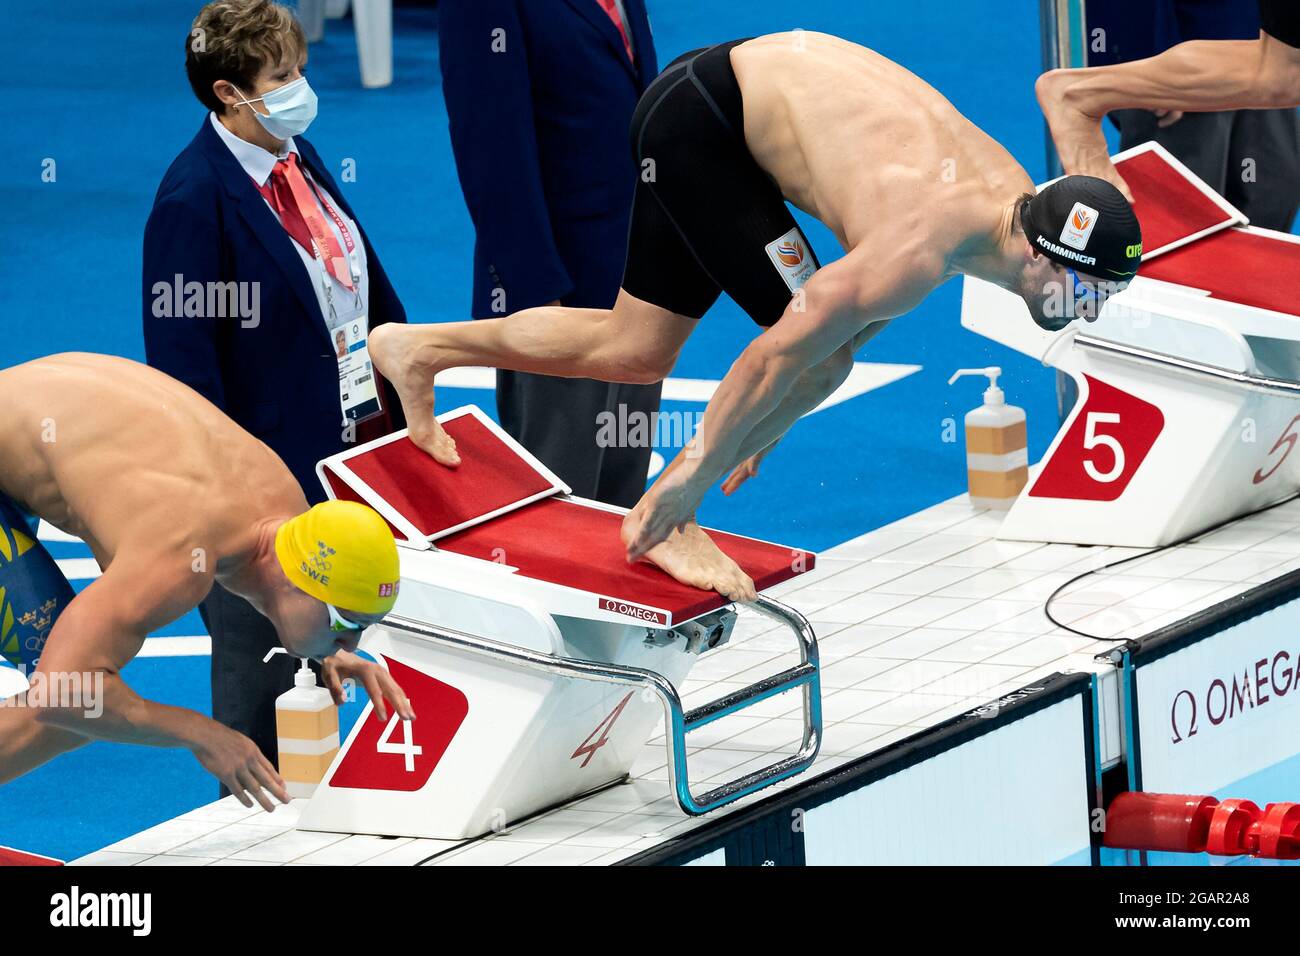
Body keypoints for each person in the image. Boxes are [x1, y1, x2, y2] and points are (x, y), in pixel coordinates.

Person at [369, 32, 1142, 600]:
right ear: (1042, 261)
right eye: (1088, 293)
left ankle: (419, 348)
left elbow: (855, 319)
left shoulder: (1011, 210)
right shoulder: (922, 248)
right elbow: (778, 356)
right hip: (705, 129)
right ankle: (666, 515)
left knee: (634, 350)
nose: (1092, 311)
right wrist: (694, 473)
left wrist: (764, 427)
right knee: (815, 358)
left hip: (721, 97)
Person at [143, 0, 410, 784]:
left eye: (298, 68)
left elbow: (353, 281)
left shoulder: (292, 152)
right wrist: (239, 505)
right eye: (282, 76)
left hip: (347, 449)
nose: (302, 86)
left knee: (327, 665)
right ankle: (245, 833)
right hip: (260, 492)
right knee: (261, 688)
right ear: (229, 93)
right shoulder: (193, 202)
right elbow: (185, 383)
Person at [0, 354, 414, 810]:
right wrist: (201, 734)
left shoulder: (285, 515)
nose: (352, 645)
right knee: (70, 709)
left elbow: (266, 585)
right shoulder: (179, 554)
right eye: (345, 623)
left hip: (27, 425)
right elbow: (60, 694)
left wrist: (323, 643)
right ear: (302, 588)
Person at [437, 0, 663, 509]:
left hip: (640, 272)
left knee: (623, 492)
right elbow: (490, 148)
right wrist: (532, 292)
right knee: (560, 501)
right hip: (561, 284)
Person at [1036, 0, 1300, 200]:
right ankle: (1082, 94)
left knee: (1271, 190)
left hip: (1248, 32)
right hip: (1175, 37)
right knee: (1180, 211)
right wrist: (1149, 58)